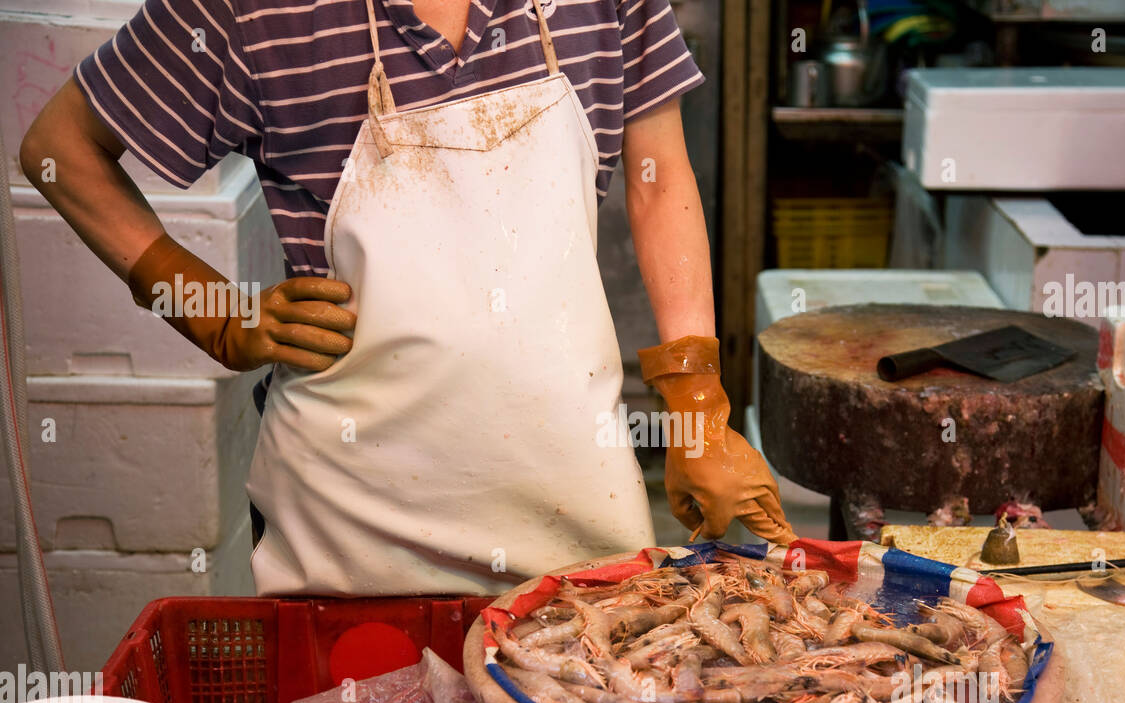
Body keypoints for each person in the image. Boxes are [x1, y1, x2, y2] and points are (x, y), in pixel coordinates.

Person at [20, 0, 794, 596]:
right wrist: (212, 312)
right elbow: (60, 148)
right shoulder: (248, 14)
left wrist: (697, 405)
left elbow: (659, 178)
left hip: (572, 500)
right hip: (350, 528)